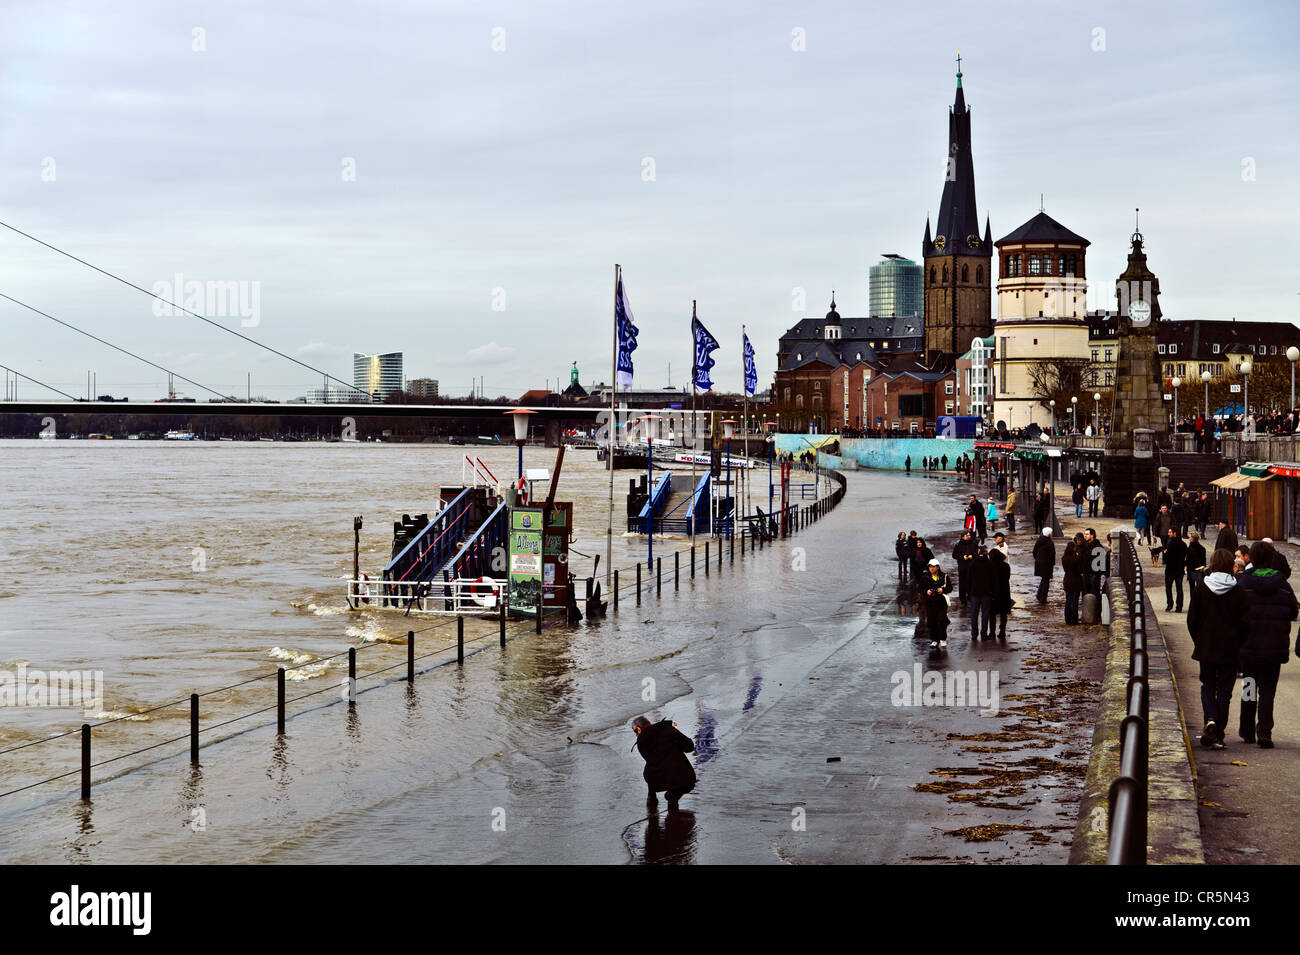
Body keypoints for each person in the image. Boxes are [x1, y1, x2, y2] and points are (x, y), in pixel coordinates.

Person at [1236, 540, 1299, 748]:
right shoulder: (1282, 584)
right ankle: (1264, 731)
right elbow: (1293, 611)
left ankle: (1246, 729)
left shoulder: (1244, 583)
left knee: (1249, 687)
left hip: (1249, 646)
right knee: (1268, 691)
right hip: (1274, 646)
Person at [1187, 549, 1249, 749]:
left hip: (1207, 645)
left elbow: (1192, 620)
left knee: (1207, 686)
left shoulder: (1202, 588)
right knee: (1225, 691)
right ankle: (1219, 733)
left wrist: (1199, 639)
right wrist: (1239, 641)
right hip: (1230, 648)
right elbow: (1245, 623)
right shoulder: (1238, 591)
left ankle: (1210, 719)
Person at [633, 715, 696, 810]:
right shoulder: (667, 729)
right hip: (680, 774)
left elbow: (654, 760)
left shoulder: (641, 742)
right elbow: (689, 747)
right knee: (689, 782)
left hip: (656, 780)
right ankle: (674, 794)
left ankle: (652, 795)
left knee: (653, 765)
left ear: (638, 730)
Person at [921, 558, 953, 649]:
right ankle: (934, 640)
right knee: (932, 621)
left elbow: (950, 588)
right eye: (930, 566)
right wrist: (926, 592)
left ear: (938, 567)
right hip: (930, 603)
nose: (931, 568)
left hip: (941, 602)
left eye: (933, 567)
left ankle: (942, 639)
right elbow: (920, 588)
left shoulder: (944, 576)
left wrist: (942, 590)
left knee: (942, 620)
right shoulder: (925, 577)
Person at [968, 545, 993, 640]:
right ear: (986, 553)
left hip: (974, 592)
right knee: (985, 614)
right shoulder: (990, 564)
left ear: (978, 553)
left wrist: (968, 592)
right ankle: (983, 634)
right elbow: (993, 580)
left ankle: (974, 634)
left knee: (974, 614)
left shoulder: (973, 563)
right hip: (986, 592)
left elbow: (968, 579)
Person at [1162, 527, 1188, 612]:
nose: (1169, 534)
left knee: (1168, 588)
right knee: (1179, 588)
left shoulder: (1170, 544)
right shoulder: (1183, 544)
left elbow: (1167, 557)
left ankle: (1170, 604)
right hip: (1180, 569)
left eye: (1170, 532)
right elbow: (1185, 556)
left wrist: (1165, 553)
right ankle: (1179, 606)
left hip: (1170, 569)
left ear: (1175, 533)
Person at [989, 547, 1011, 641]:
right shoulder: (1006, 566)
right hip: (1004, 591)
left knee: (992, 614)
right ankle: (1002, 631)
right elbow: (1007, 578)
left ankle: (992, 632)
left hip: (994, 592)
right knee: (1003, 613)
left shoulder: (990, 566)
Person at [1062, 535, 1084, 625]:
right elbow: (1080, 570)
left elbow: (1065, 569)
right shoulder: (1076, 559)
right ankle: (1074, 620)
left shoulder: (1064, 558)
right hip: (1076, 580)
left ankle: (1067, 619)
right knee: (1075, 601)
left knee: (1068, 600)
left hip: (1067, 580)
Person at [952, 530, 977, 609]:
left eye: (969, 535)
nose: (969, 536)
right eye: (967, 535)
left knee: (971, 583)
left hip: (972, 566)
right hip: (962, 566)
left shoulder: (973, 543)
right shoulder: (958, 544)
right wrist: (962, 557)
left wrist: (972, 556)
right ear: (963, 537)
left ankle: (971, 598)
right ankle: (963, 601)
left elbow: (977, 553)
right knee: (962, 584)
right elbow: (954, 555)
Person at [1033, 527, 1055, 604]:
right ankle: (1043, 599)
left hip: (1039, 563)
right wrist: (1052, 564)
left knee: (1044, 579)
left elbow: (1034, 552)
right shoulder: (1050, 543)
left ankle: (1039, 595)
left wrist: (1038, 559)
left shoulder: (1038, 541)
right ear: (1049, 534)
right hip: (1047, 564)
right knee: (1046, 581)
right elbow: (1052, 555)